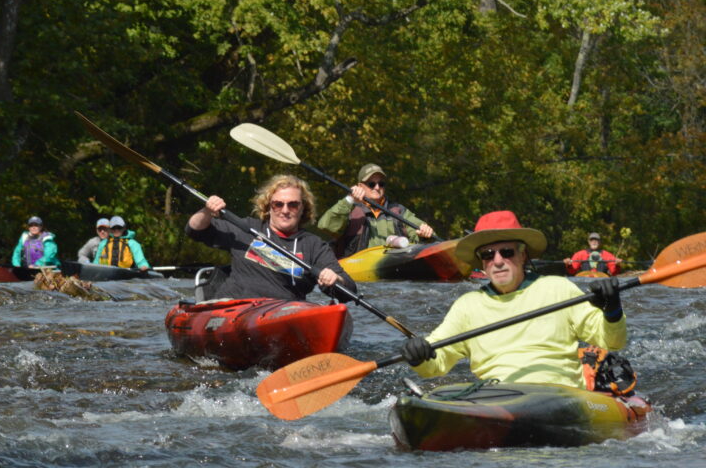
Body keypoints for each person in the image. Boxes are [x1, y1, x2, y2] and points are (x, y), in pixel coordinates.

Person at [399, 210, 626, 390]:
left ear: (523, 254)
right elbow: (436, 364)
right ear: (482, 262)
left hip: (559, 394)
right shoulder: (467, 306)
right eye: (488, 255)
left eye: (506, 252)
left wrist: (612, 310)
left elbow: (612, 341)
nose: (497, 261)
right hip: (497, 397)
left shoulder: (559, 288)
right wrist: (419, 356)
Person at [186, 174, 357, 301]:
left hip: (282, 314)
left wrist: (336, 279)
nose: (285, 210)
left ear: (303, 208)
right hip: (234, 308)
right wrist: (207, 211)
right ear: (268, 207)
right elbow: (194, 230)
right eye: (278, 204)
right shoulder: (246, 228)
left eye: (293, 204)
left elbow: (349, 290)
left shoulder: (313, 245)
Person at [317, 163, 435, 258]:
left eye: (381, 183)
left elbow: (425, 233)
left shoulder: (398, 211)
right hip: (357, 274)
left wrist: (425, 234)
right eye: (371, 184)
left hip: (394, 269)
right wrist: (349, 199)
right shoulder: (349, 210)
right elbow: (326, 226)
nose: (377, 187)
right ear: (360, 186)